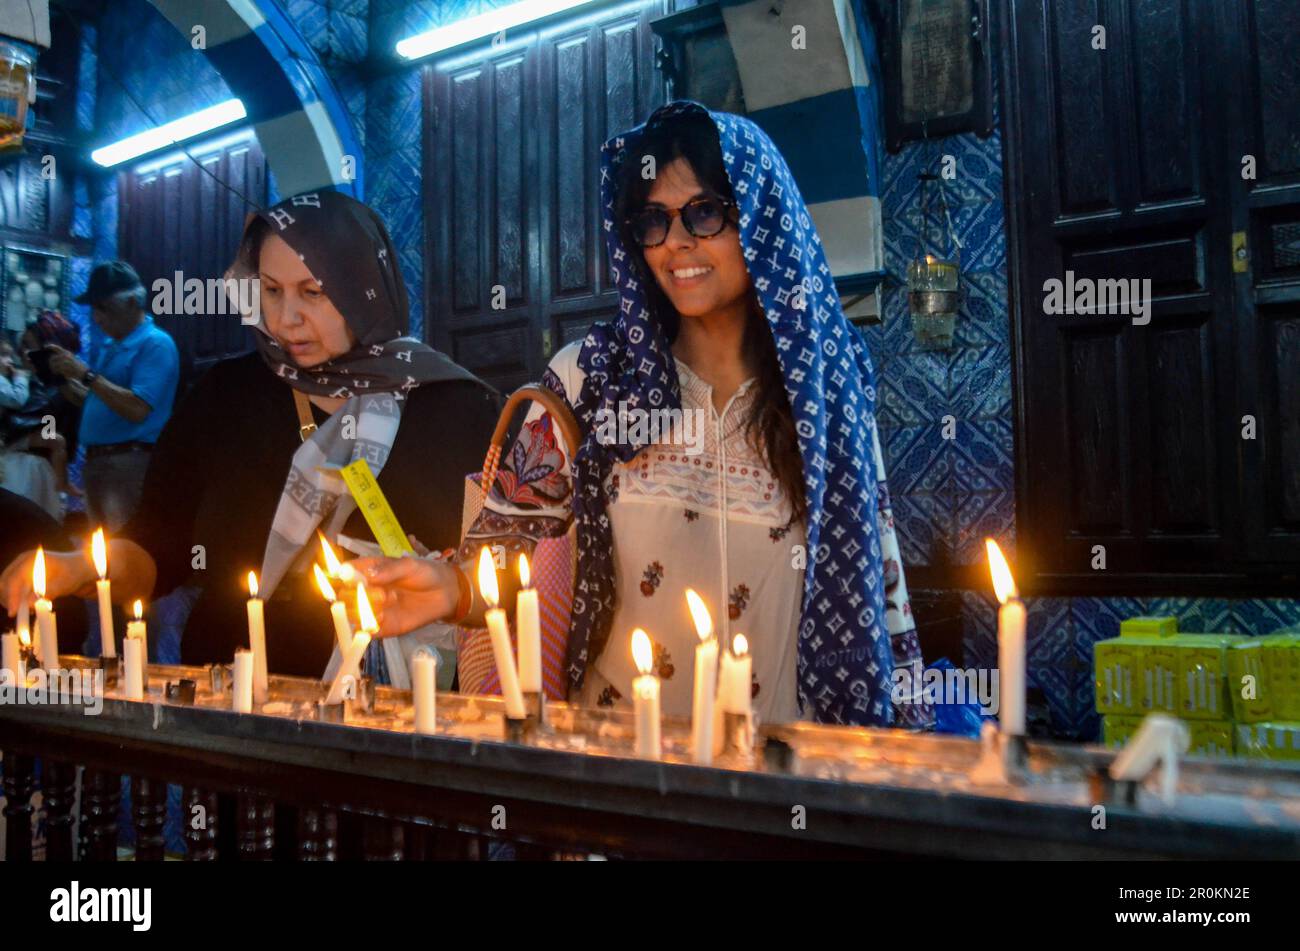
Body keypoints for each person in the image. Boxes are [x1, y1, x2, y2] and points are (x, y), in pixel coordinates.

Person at [347, 102, 929, 728]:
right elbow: (508, 551)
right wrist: (450, 590)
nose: (676, 243)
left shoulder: (823, 392)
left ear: (761, 221)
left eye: (705, 212)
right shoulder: (591, 383)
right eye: (652, 221)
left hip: (781, 785)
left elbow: (877, 580)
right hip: (620, 772)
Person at [2, 191, 498, 676]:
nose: (286, 319)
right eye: (271, 289)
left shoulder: (454, 407)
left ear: (366, 286)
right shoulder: (226, 397)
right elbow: (158, 547)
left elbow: (502, 575)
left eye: (314, 292)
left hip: (402, 699)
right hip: (234, 674)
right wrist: (83, 568)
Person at [48, 261, 180, 530]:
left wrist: (86, 374)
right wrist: (60, 378)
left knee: (124, 549)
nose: (97, 318)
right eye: (94, 309)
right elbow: (96, 401)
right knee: (103, 547)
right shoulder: (112, 345)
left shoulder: (155, 343)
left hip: (129, 463)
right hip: (100, 461)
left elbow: (137, 408)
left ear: (132, 302)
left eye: (103, 308)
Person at [2, 311, 85, 495]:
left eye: (29, 346)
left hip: (40, 473)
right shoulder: (18, 384)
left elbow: (62, 439)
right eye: (21, 345)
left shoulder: (68, 392)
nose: (23, 353)